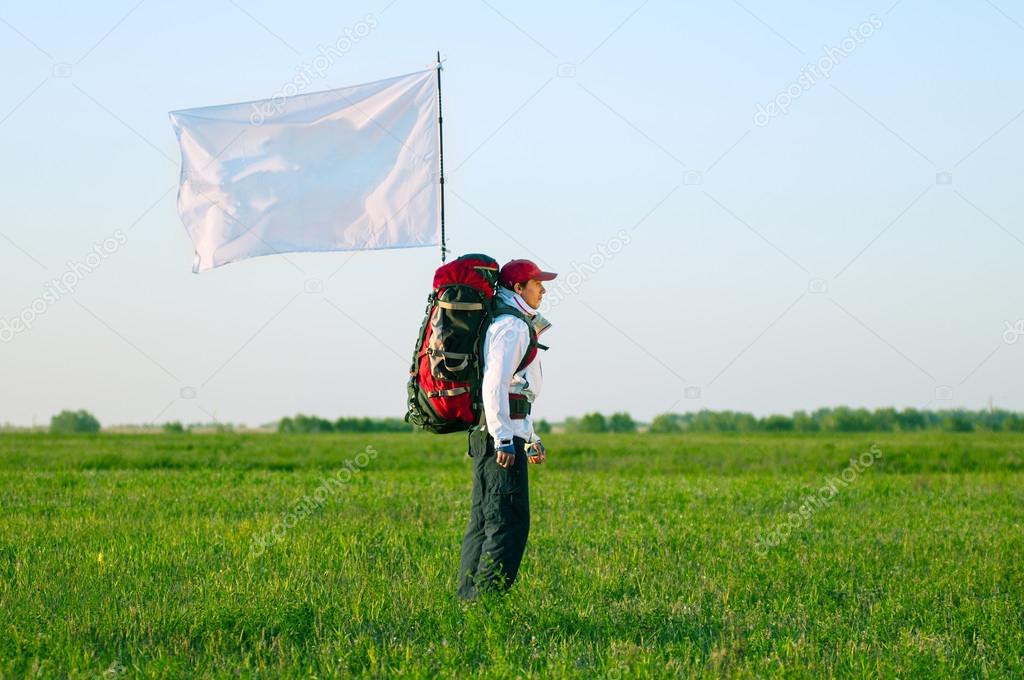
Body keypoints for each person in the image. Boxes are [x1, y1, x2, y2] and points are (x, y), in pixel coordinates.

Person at [457, 258, 557, 601]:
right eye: (536, 283)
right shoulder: (511, 327)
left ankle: (468, 600)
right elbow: (495, 385)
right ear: (518, 288)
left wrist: (530, 437)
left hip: (500, 435)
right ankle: (486, 604)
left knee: (485, 521)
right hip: (500, 440)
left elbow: (516, 391)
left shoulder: (508, 322)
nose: (542, 289)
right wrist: (505, 439)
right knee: (508, 523)